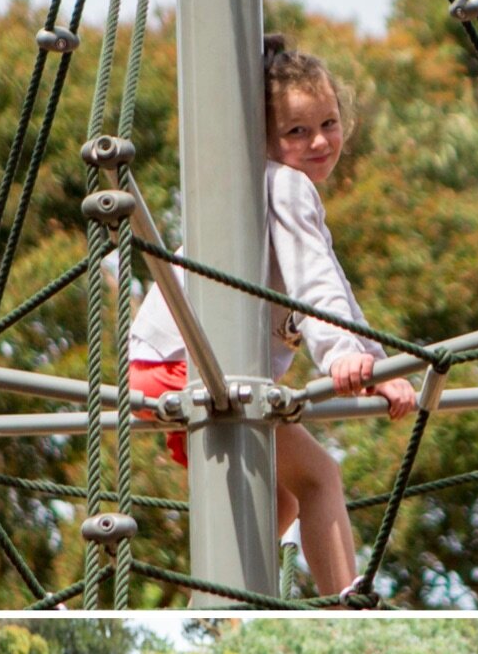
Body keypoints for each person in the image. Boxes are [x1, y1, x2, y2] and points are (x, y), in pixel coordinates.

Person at [127, 33, 417, 599]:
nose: (319, 142)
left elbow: (334, 290)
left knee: (279, 500)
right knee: (321, 478)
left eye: (329, 124)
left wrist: (380, 370)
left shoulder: (265, 189)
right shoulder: (284, 186)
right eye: (296, 131)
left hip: (160, 364)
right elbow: (316, 284)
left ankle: (225, 601)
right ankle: (347, 604)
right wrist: (346, 356)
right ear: (262, 139)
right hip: (189, 367)